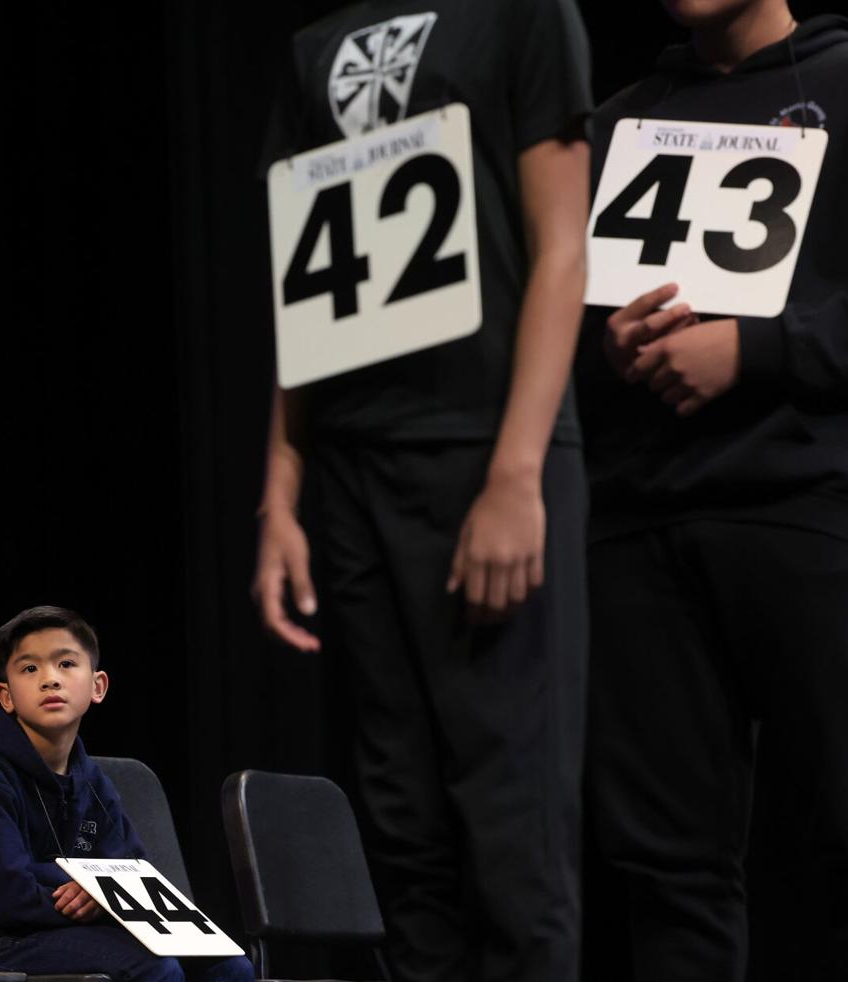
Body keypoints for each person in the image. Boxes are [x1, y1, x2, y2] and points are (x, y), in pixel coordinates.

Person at [252, 2, 592, 979]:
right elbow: (301, 286)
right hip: (354, 465)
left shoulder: (524, 15)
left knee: (514, 841)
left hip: (484, 452)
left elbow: (560, 248)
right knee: (403, 837)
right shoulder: (313, 46)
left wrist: (518, 471)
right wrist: (279, 494)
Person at [576, 3, 848, 980]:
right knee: (665, 876)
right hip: (636, 528)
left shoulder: (838, 83)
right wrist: (602, 346)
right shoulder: (614, 123)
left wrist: (755, 349)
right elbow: (542, 342)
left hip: (805, 507)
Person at [0, 606, 253, 982]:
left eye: (66, 664)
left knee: (229, 966)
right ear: (6, 697)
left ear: (97, 686)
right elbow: (7, 898)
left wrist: (100, 893)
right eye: (29, 668)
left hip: (72, 929)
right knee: (153, 969)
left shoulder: (94, 782)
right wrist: (96, 892)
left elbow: (133, 875)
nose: (50, 679)